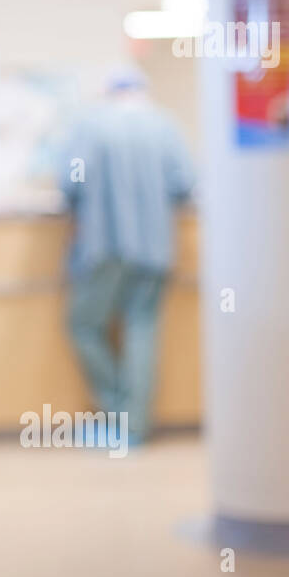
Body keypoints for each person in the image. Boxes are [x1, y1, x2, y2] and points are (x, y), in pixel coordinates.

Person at [59, 65, 195, 446]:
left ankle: (116, 412)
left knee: (84, 325)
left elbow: (71, 182)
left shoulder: (91, 126)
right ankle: (134, 427)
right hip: (155, 246)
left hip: (105, 245)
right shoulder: (164, 126)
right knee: (142, 327)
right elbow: (184, 183)